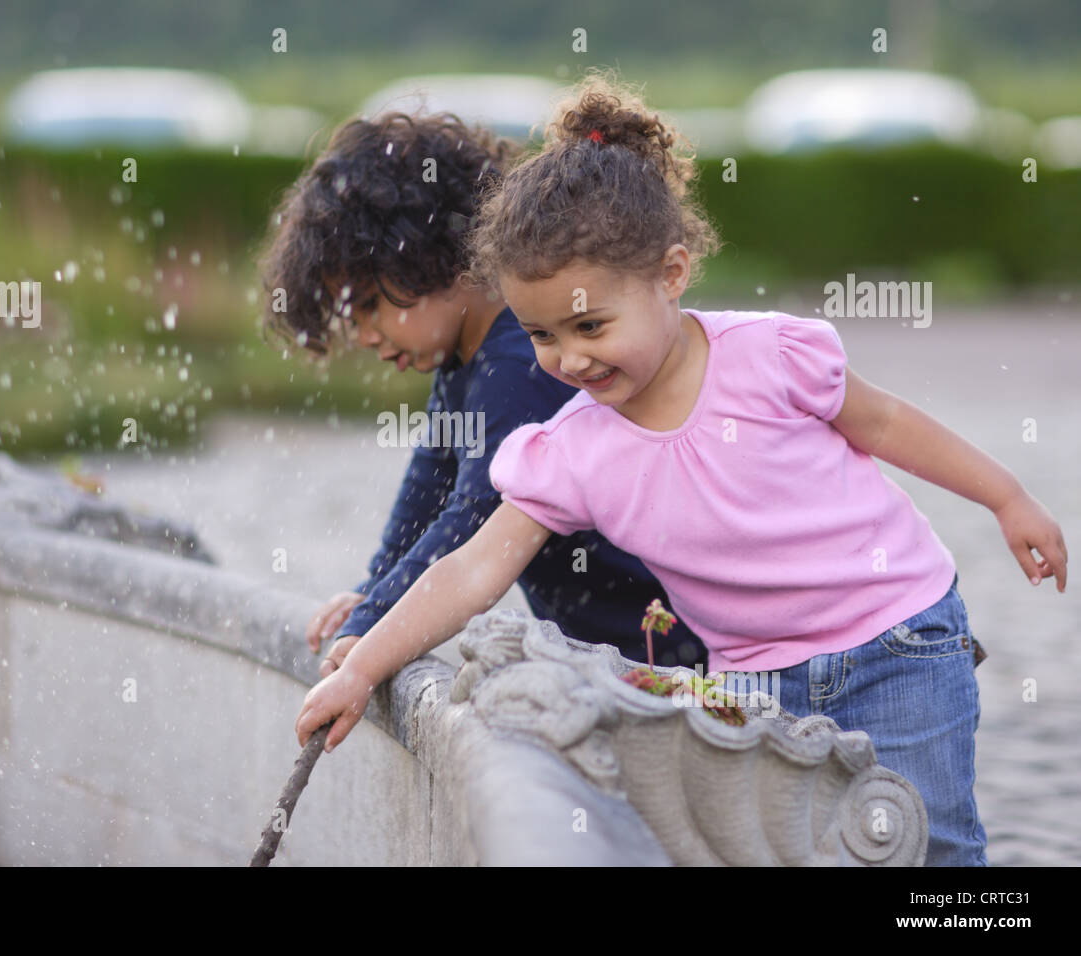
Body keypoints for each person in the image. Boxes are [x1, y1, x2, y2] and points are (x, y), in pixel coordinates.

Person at [294, 75, 1069, 868]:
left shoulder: (769, 356)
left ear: (672, 273)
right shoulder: (572, 448)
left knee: (928, 848)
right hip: (748, 683)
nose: (569, 358)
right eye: (541, 334)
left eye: (591, 324)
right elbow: (469, 570)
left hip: (897, 639)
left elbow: (889, 425)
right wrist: (363, 667)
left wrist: (1007, 499)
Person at [258, 110, 707, 678]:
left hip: (683, 653)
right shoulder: (464, 366)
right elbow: (425, 501)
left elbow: (470, 520)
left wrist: (371, 627)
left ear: (436, 257)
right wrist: (373, 595)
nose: (364, 335)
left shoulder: (522, 367)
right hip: (634, 659)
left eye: (371, 304)